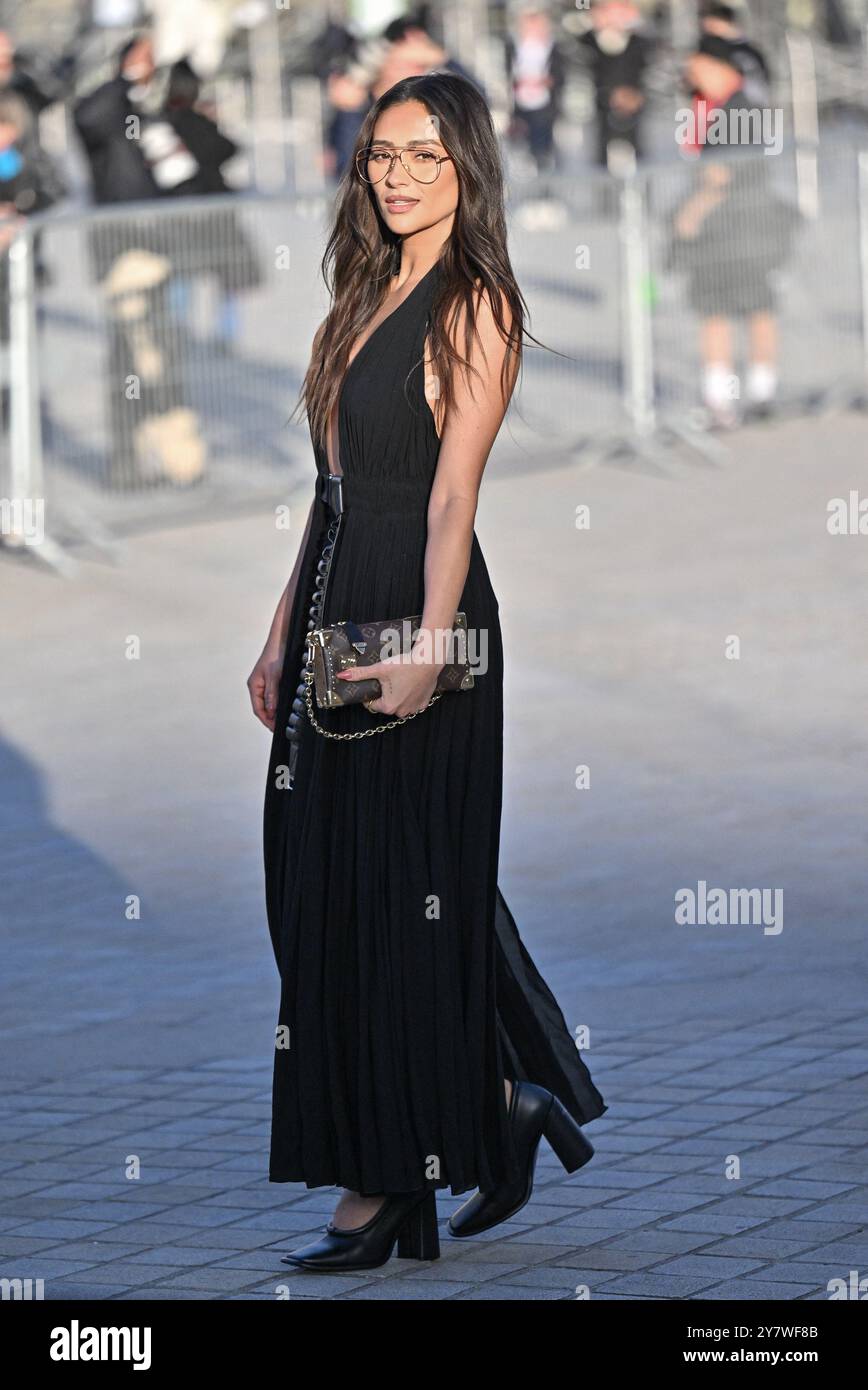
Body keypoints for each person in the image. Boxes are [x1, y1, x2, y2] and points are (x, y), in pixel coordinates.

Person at [249, 71, 607, 1273]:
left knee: (406, 886)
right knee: (321, 890)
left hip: (428, 617)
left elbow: (453, 492)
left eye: (424, 155)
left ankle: (384, 1184)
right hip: (337, 607)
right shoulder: (357, 293)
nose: (397, 176)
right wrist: (278, 627)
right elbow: (331, 492)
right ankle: (496, 1107)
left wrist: (429, 649)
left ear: (466, 166)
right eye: (381, 155)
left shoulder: (476, 300)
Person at [505, 7, 566, 177]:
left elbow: (560, 76)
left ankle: (545, 188)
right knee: (520, 149)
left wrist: (544, 81)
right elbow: (508, 76)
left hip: (545, 109)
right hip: (520, 107)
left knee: (543, 149)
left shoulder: (554, 48)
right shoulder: (512, 47)